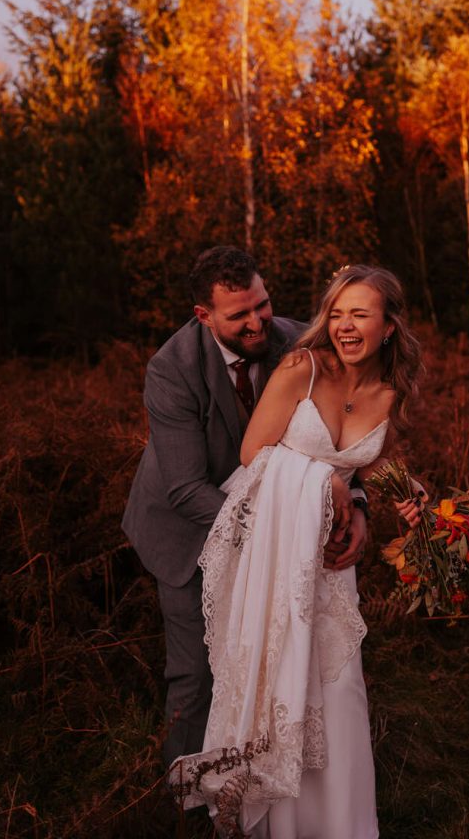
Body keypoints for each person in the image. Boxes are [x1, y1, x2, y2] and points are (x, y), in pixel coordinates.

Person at [169, 265, 423, 838]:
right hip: (271, 548)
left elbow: (376, 464)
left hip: (329, 562)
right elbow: (255, 452)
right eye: (336, 312)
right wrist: (325, 482)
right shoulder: (301, 367)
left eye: (360, 314)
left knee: (336, 689)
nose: (344, 325)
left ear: (389, 327)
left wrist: (408, 498)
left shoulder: (393, 390)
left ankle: (338, 826)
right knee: (275, 681)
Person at [122, 247, 370, 768]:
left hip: (279, 529)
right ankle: (188, 803)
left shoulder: (301, 342)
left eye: (262, 304)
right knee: (197, 674)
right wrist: (288, 530)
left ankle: (258, 792)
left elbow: (341, 433)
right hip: (188, 533)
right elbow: (187, 490)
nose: (258, 322)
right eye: (239, 315)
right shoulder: (171, 370)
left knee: (275, 665)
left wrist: (360, 504)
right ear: (203, 316)